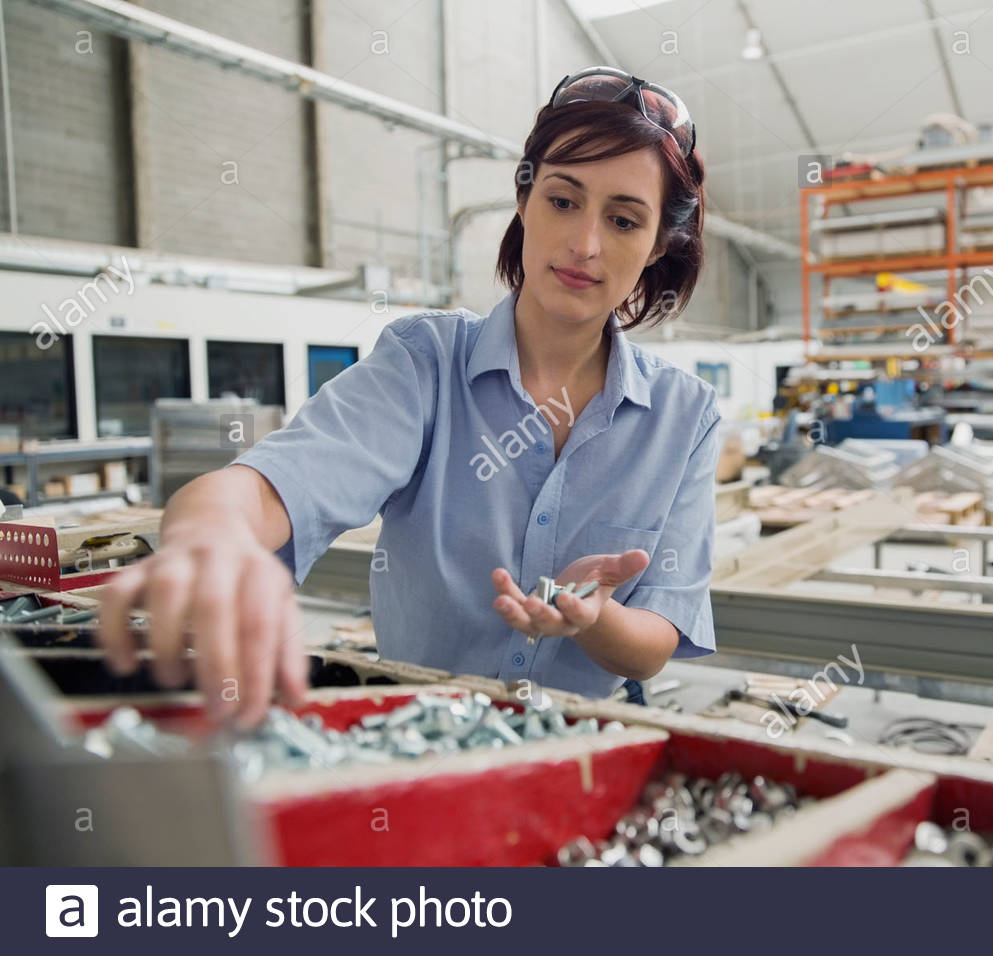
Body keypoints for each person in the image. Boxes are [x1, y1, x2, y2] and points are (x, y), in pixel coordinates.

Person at [97, 67, 721, 726]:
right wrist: (209, 539)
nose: (584, 244)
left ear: (658, 245)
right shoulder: (426, 365)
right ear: (525, 198)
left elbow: (654, 640)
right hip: (414, 731)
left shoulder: (685, 418)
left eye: (624, 220)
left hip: (576, 749)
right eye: (563, 201)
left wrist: (593, 619)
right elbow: (268, 487)